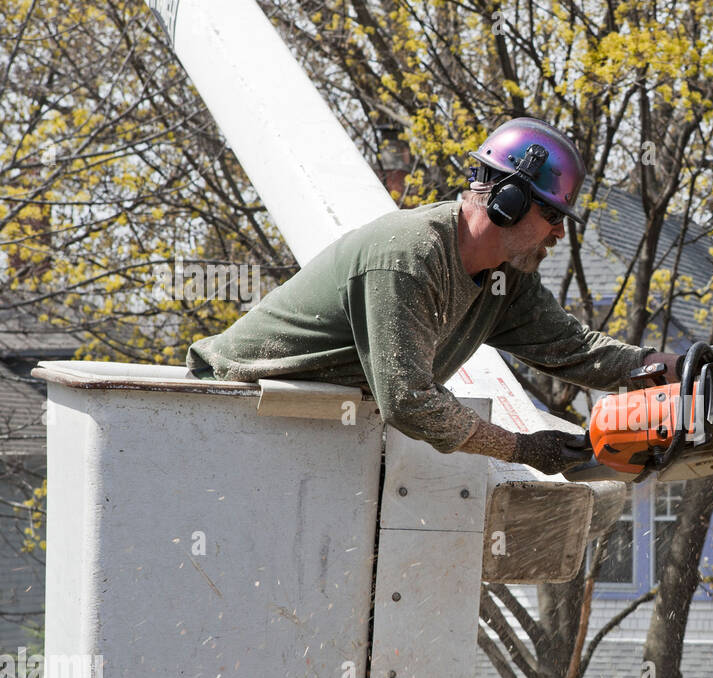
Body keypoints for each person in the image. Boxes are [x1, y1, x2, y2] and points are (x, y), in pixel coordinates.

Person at [186, 116, 682, 474]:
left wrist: (663, 369)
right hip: (225, 414)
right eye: (552, 217)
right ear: (508, 200)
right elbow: (408, 400)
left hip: (304, 422)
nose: (557, 235)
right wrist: (525, 450)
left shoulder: (504, 279)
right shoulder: (409, 256)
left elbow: (569, 348)